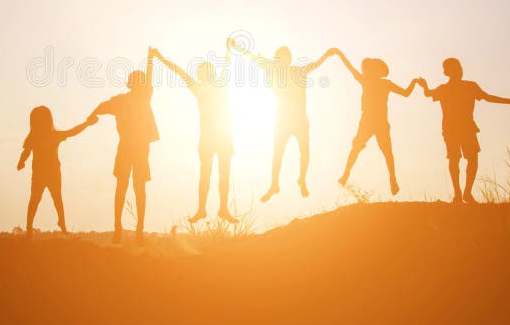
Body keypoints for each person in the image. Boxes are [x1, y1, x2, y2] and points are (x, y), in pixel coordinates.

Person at [228, 37, 335, 202]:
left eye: (283, 58)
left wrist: (326, 55)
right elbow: (254, 58)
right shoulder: (272, 69)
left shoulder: (298, 71)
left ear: (289, 59)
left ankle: (301, 179)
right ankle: (274, 185)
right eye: (278, 59)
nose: (280, 62)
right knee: (278, 152)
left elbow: (315, 65)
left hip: (299, 119)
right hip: (283, 118)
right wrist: (237, 46)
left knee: (304, 151)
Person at [418, 58, 510, 204]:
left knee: (472, 158)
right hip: (451, 129)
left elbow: (488, 97)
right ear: (447, 72)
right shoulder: (443, 89)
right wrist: (424, 86)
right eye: (456, 68)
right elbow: (428, 93)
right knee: (454, 159)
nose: (460, 70)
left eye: (460, 67)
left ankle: (466, 193)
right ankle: (458, 194)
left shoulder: (470, 86)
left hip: (467, 128)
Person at [152, 47, 238, 224]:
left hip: (222, 136)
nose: (200, 76)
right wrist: (160, 58)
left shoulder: (216, 85)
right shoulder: (199, 87)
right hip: (209, 138)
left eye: (202, 73)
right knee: (206, 174)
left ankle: (222, 209)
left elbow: (227, 65)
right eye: (200, 74)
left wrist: (228, 49)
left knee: (223, 174)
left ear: (208, 74)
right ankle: (202, 210)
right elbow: (178, 71)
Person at [91, 48, 159, 246]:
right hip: (132, 147)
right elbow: (102, 106)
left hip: (136, 147)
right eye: (138, 81)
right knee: (130, 187)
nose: (141, 84)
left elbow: (101, 107)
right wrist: (91, 116)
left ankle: (132, 230)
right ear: (132, 84)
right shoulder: (126, 99)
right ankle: (124, 229)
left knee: (131, 187)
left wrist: (91, 117)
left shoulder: (135, 97)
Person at [329, 48, 418, 195]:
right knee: (361, 148)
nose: (369, 71)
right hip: (368, 121)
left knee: (384, 151)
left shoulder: (382, 83)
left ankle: (392, 179)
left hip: (377, 121)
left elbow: (406, 93)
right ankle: (345, 175)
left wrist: (414, 82)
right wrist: (339, 54)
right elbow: (350, 67)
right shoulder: (368, 81)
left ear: (378, 71)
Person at [17, 106, 97, 238]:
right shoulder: (36, 137)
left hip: (50, 173)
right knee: (41, 200)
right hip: (42, 173)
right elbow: (26, 152)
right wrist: (21, 161)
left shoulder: (50, 136)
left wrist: (87, 123)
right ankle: (32, 228)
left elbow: (73, 132)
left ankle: (61, 224)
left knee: (52, 199)